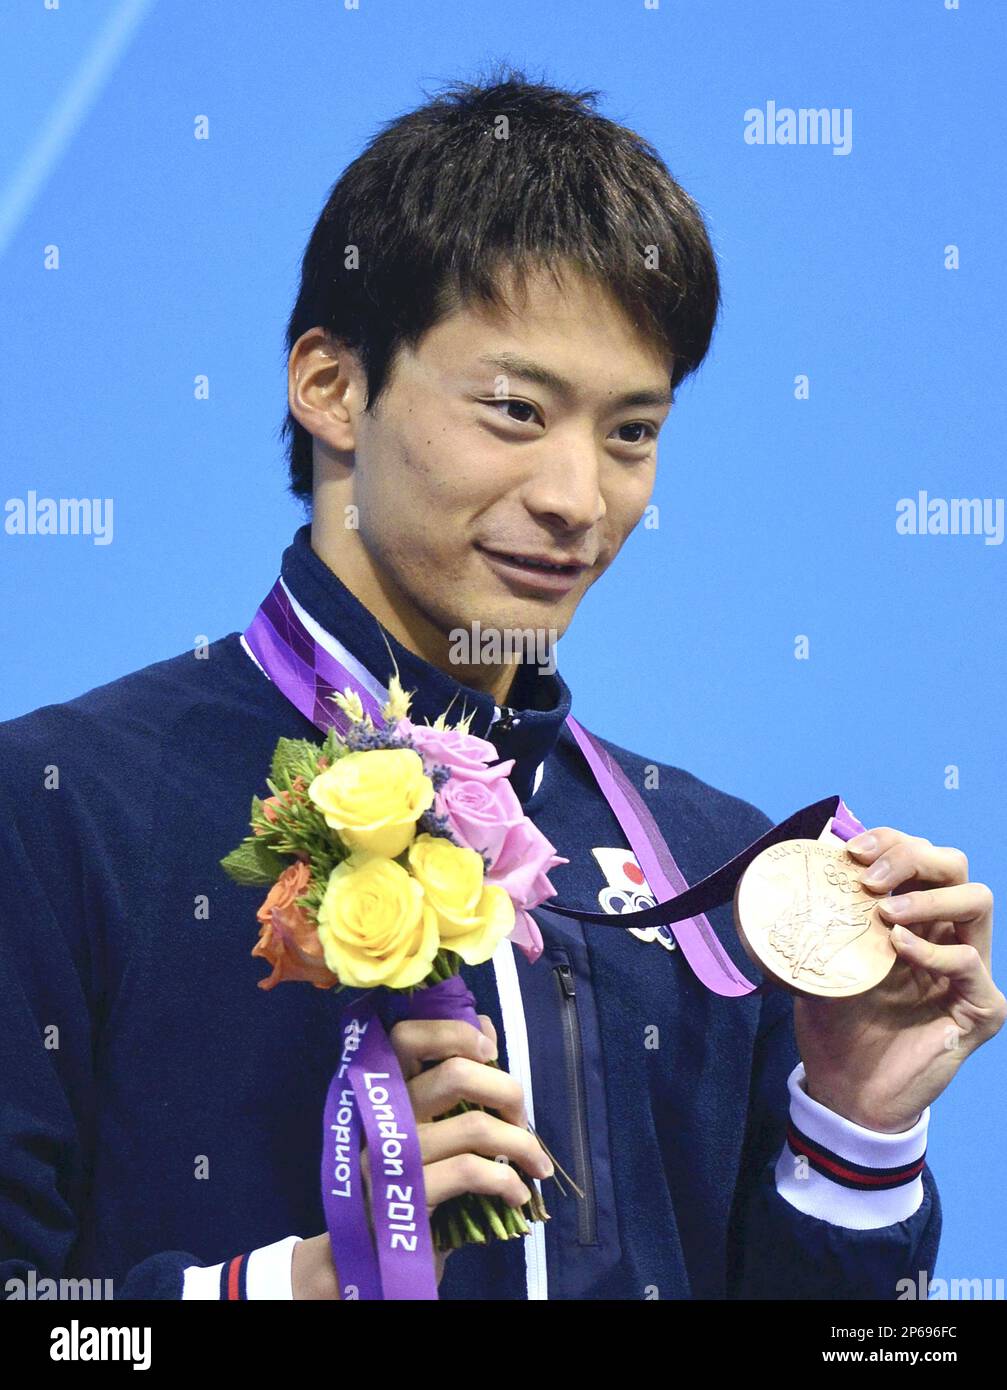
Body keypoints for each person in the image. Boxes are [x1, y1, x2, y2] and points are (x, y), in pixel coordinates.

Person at [1, 69, 1002, 1303]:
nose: (579, 499)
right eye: (516, 410)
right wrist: (292, 1289)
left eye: (631, 432)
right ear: (331, 387)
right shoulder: (54, 811)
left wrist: (853, 1132)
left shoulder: (717, 875)